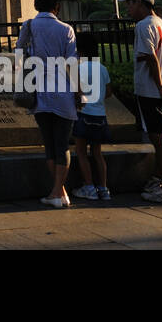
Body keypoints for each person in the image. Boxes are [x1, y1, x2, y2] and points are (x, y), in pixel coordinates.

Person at [17, 0, 80, 208]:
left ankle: (58, 192)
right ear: (57, 7)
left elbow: (18, 53)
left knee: (49, 144)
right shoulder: (66, 30)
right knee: (62, 144)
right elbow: (72, 63)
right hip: (63, 91)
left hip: (39, 91)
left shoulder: (29, 26)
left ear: (36, 6)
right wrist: (79, 92)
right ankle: (58, 192)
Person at [121, 0, 162, 204]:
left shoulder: (143, 25)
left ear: (140, 3)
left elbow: (149, 57)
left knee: (159, 139)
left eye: (130, 3)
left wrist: (159, 86)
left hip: (151, 91)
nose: (128, 8)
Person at [70, 31, 113, 201]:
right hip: (100, 115)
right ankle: (103, 187)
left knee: (81, 151)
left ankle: (88, 186)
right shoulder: (102, 68)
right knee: (97, 153)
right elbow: (109, 91)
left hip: (83, 114)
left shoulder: (77, 68)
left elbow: (74, 92)